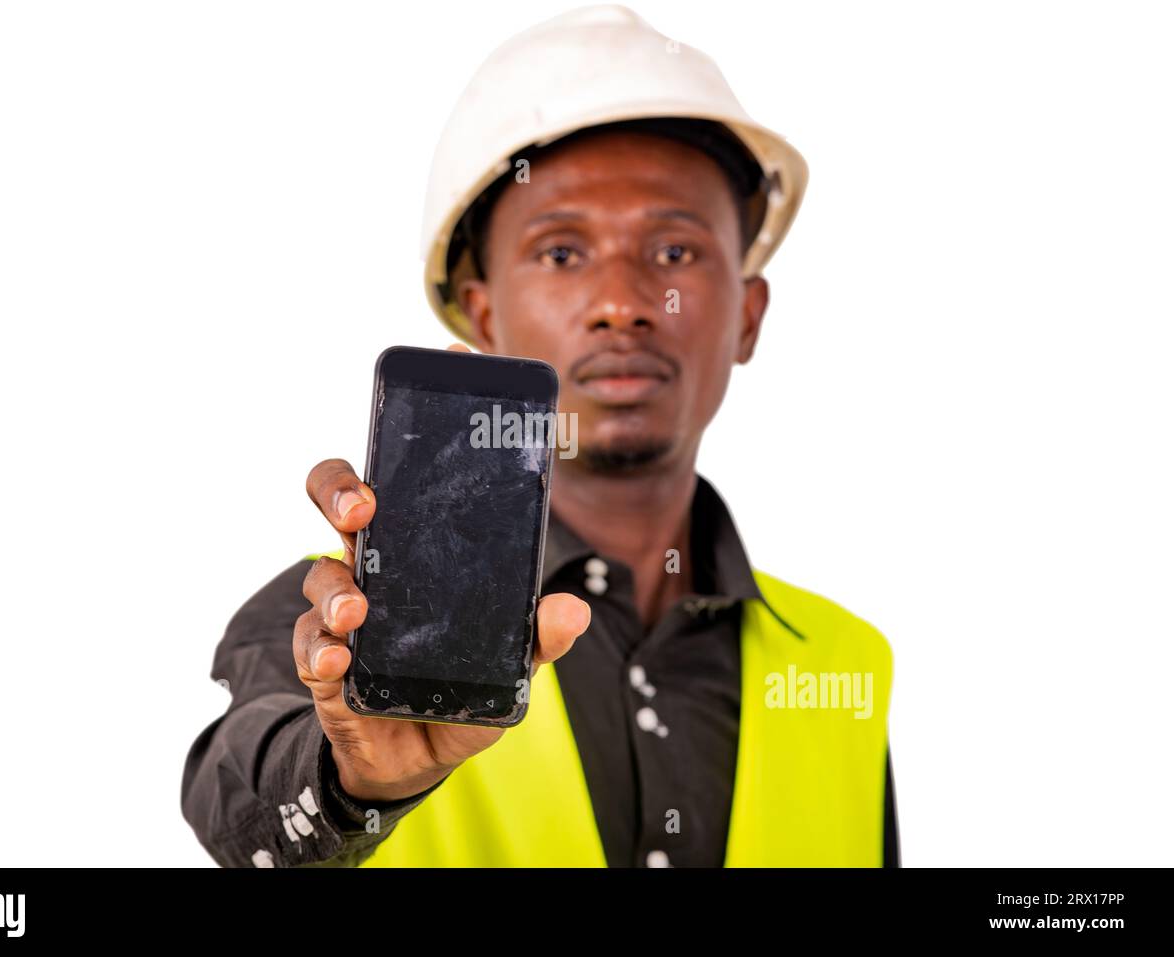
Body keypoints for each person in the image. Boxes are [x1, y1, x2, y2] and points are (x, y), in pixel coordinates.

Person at [181, 4, 898, 868]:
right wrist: (350, 780)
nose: (624, 301)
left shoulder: (844, 662)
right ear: (483, 317)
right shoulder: (345, 614)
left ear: (748, 315)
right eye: (562, 253)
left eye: (674, 252)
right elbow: (238, 805)